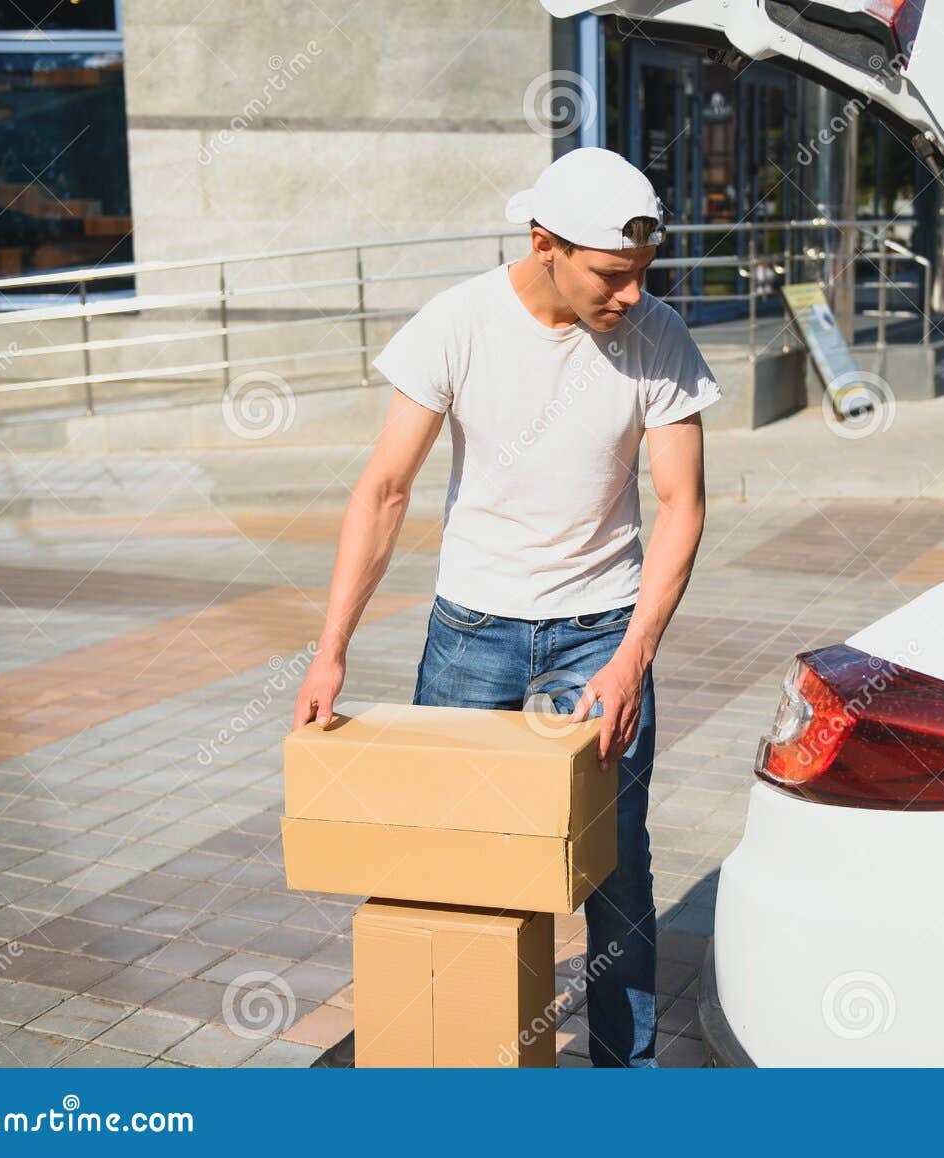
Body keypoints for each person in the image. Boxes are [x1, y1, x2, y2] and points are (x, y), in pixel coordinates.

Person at [291, 147, 722, 1068]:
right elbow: (384, 491)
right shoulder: (458, 323)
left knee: (617, 870)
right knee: (449, 860)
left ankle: (622, 1077)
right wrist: (330, 650)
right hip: (470, 636)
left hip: (602, 633)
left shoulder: (659, 338)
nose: (633, 296)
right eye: (613, 275)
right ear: (545, 245)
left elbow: (682, 504)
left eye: (645, 273)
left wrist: (632, 656)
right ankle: (459, 1059)